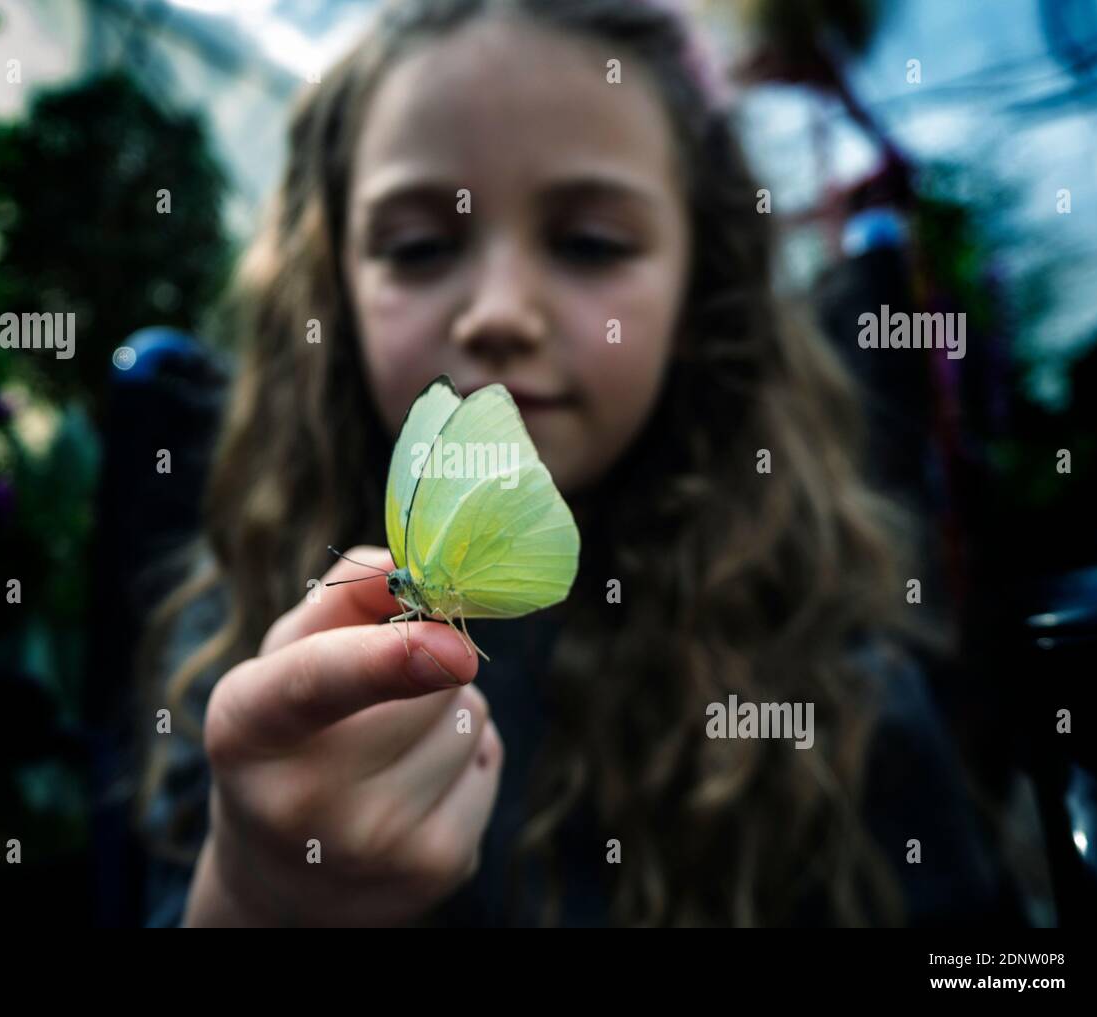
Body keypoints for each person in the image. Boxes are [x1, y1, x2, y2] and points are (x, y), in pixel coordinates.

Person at [136, 0, 1026, 927]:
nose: (500, 312)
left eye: (590, 242)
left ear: (700, 288)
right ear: (335, 283)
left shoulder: (826, 656)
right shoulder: (242, 612)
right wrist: (257, 891)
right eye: (419, 247)